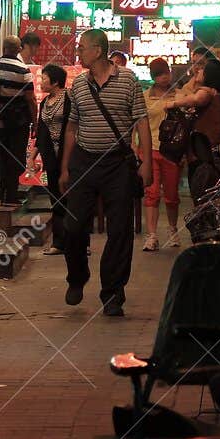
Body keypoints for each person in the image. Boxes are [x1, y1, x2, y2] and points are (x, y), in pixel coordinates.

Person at [60, 30, 152, 317]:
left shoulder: (128, 80)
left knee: (120, 229)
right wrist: (64, 168)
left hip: (118, 164)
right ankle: (77, 276)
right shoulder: (78, 84)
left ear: (97, 50)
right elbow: (71, 128)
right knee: (73, 226)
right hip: (84, 161)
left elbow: (141, 122)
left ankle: (113, 293)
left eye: (82, 48)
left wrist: (147, 162)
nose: (78, 52)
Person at [166, 55, 220, 203]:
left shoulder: (207, 92)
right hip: (212, 155)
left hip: (203, 156)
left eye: (202, 69)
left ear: (209, 75)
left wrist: (173, 104)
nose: (198, 70)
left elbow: (196, 99)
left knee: (202, 198)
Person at [0, 39, 36, 207]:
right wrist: (35, 122)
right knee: (16, 158)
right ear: (19, 49)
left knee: (2, 158)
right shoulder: (23, 70)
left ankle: (3, 194)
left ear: (3, 48)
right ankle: (11, 195)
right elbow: (30, 100)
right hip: (18, 123)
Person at [142, 58, 181, 252]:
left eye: (166, 73)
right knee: (152, 193)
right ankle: (152, 236)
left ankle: (173, 230)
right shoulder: (144, 97)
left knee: (172, 195)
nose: (164, 77)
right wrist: (135, 145)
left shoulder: (180, 95)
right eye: (159, 74)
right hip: (150, 150)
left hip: (173, 152)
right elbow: (138, 124)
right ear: (153, 77)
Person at [35, 63, 73, 256]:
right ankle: (59, 243)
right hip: (51, 157)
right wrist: (33, 155)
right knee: (56, 199)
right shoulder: (44, 102)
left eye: (44, 78)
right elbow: (40, 130)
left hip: (71, 156)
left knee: (73, 198)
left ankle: (79, 242)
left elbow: (75, 127)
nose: (41, 81)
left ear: (56, 81)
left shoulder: (70, 99)